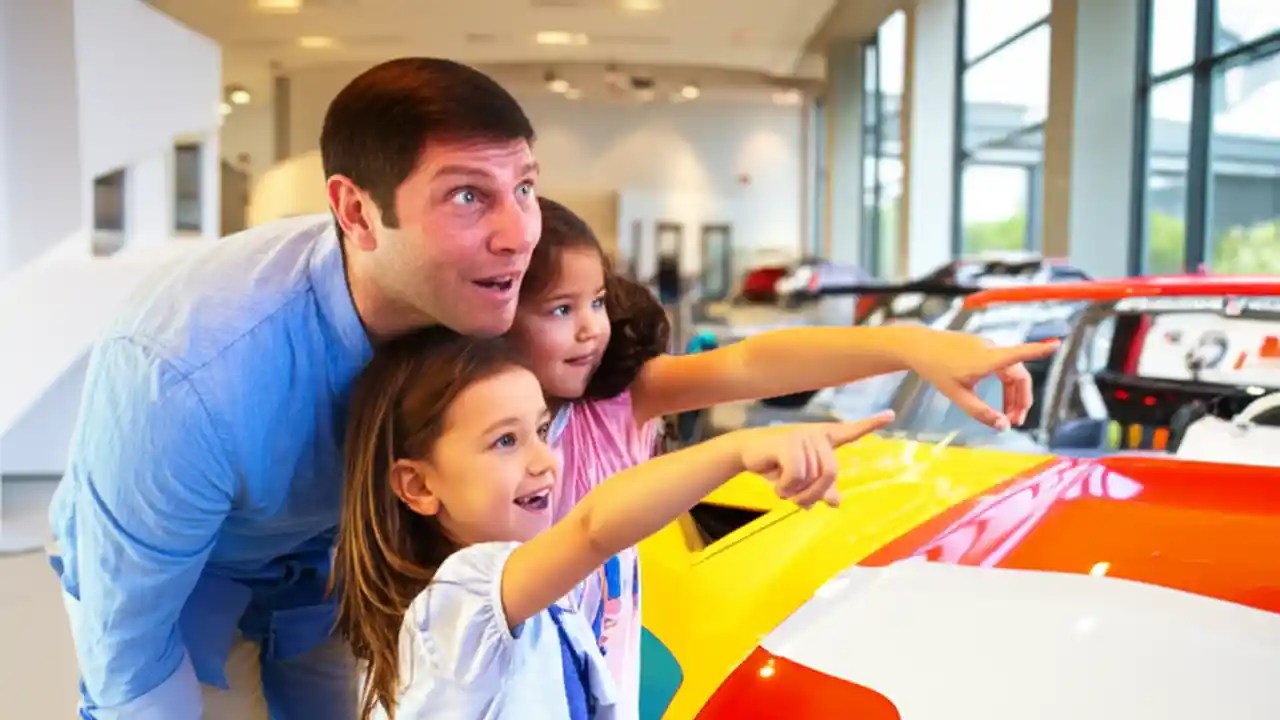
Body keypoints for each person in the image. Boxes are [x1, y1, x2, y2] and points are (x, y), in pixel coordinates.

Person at [47, 57, 542, 719]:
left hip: (320, 563)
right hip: (185, 573)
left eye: (526, 188)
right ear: (356, 212)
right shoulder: (192, 372)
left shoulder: (483, 294)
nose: (518, 236)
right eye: (466, 196)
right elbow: (130, 662)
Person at [504, 197, 1061, 714]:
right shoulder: (470, 439)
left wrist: (911, 345)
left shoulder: (615, 406)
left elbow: (751, 364)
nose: (589, 330)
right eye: (559, 310)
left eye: (597, 302)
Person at [329, 326, 896, 719]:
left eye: (541, 431)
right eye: (505, 441)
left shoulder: (536, 602)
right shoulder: (455, 602)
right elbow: (593, 529)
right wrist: (737, 451)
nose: (543, 461)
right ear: (419, 485)